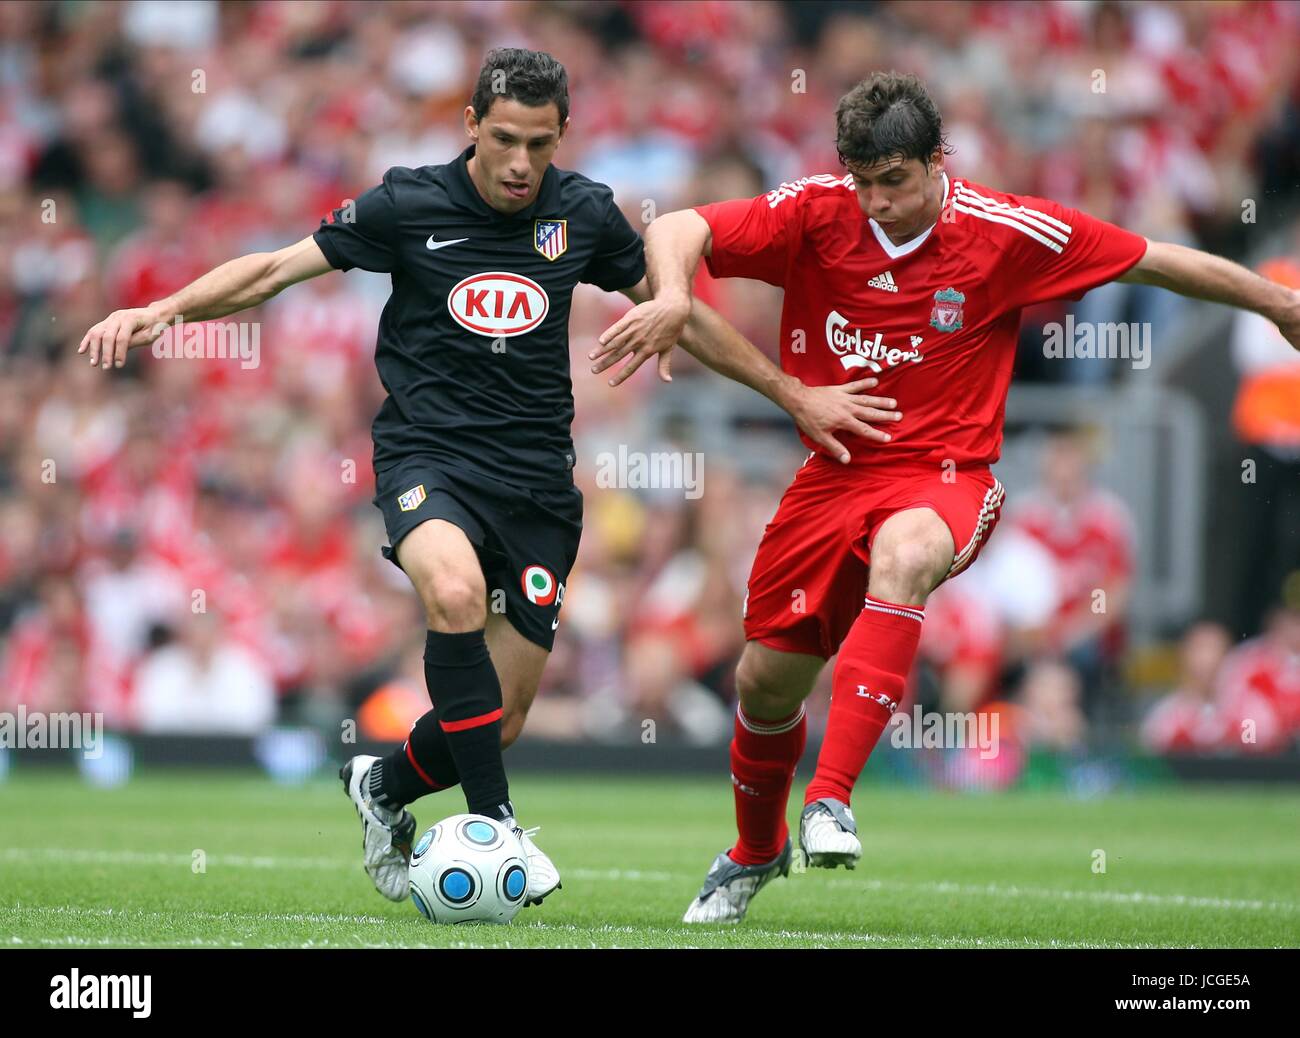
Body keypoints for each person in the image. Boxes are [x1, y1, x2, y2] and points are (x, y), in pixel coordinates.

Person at [77, 49, 896, 908]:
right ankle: (496, 822)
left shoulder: (583, 213)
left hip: (537, 485)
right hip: (427, 457)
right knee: (455, 595)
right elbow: (276, 267)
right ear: (470, 125)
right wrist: (165, 308)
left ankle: (384, 787)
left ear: (562, 136)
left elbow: (675, 316)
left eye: (539, 144)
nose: (518, 163)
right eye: (503, 138)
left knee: (496, 720)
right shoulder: (408, 202)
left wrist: (789, 391)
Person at [595, 70, 1300, 923]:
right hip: (830, 477)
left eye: (894, 182)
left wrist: (1276, 302)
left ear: (938, 162)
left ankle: (831, 800)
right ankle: (755, 850)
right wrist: (675, 297)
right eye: (864, 183)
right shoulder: (818, 211)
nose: (877, 202)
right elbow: (679, 225)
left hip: (946, 474)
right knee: (763, 686)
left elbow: (1155, 261)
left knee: (909, 553)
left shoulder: (1006, 231)